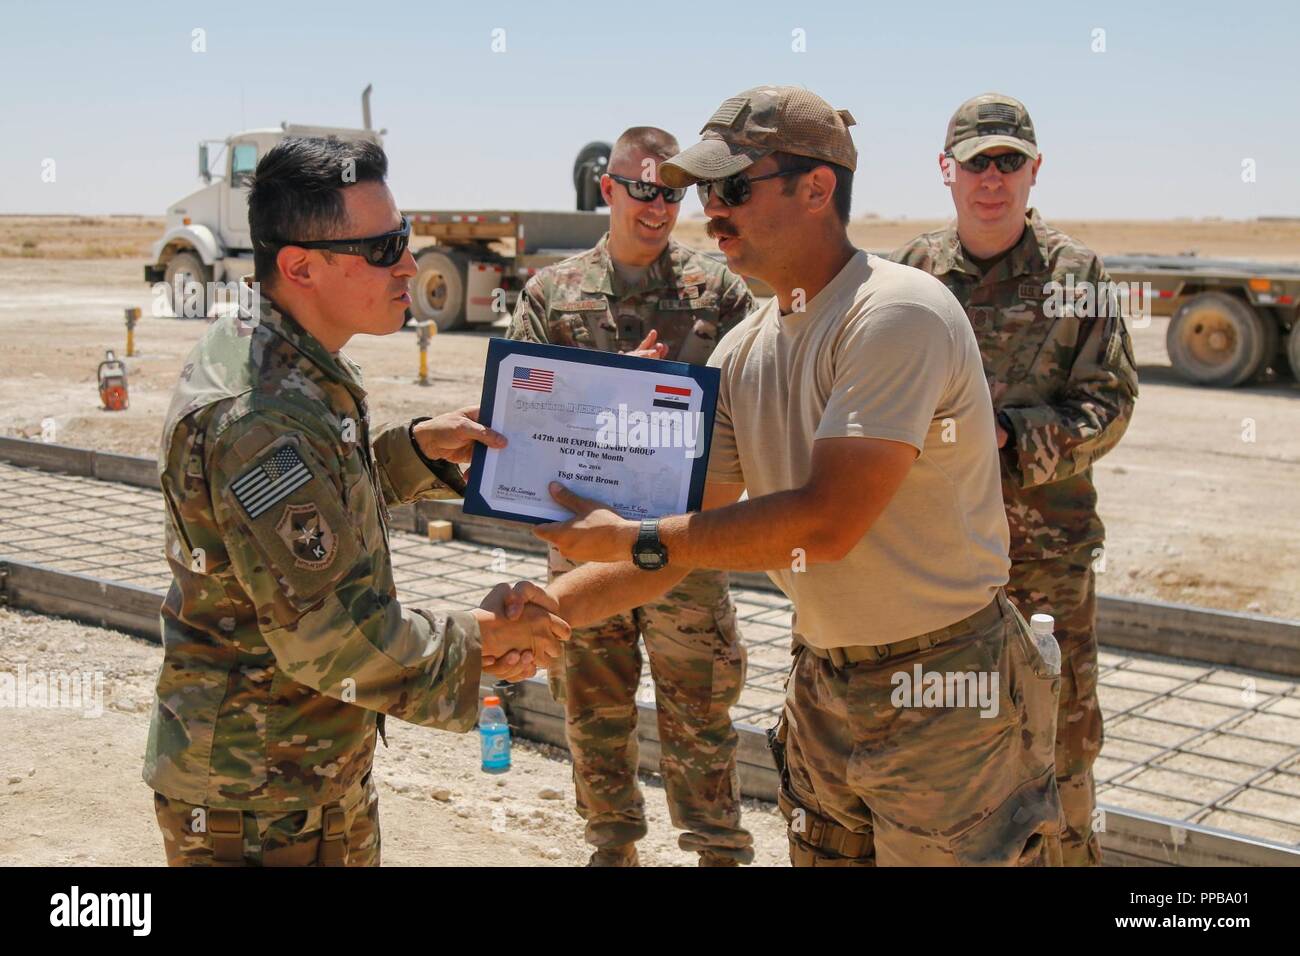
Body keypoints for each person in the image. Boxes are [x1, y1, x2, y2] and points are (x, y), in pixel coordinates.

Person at [534, 86, 1064, 865]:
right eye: (706, 192)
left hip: (943, 687)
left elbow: (826, 523)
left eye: (733, 187)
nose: (713, 212)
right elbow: (682, 543)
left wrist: (632, 537)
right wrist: (542, 615)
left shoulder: (895, 314)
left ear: (817, 189)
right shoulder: (744, 350)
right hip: (824, 680)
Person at [145, 136, 569, 866]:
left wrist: (415, 452)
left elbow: (303, 504)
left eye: (404, 238)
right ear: (300, 267)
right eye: (382, 249)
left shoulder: (279, 354)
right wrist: (483, 640)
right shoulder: (260, 414)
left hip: (297, 771)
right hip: (260, 801)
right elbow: (331, 637)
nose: (408, 265)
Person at [889, 92, 1138, 865]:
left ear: (1035, 170)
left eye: (1008, 161)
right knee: (942, 744)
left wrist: (1012, 436)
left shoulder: (1077, 276)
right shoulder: (912, 275)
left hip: (1045, 561)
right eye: (976, 163)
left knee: (1060, 745)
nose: (991, 178)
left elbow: (1110, 403)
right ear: (946, 170)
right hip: (936, 561)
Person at [506, 126, 755, 867]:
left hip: (685, 544)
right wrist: (609, 385)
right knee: (593, 708)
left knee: (701, 712)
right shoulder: (551, 295)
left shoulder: (719, 293)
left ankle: (717, 850)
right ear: (608, 188)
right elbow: (522, 418)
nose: (657, 207)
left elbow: (754, 406)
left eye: (672, 193)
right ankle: (612, 848)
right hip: (583, 542)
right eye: (643, 189)